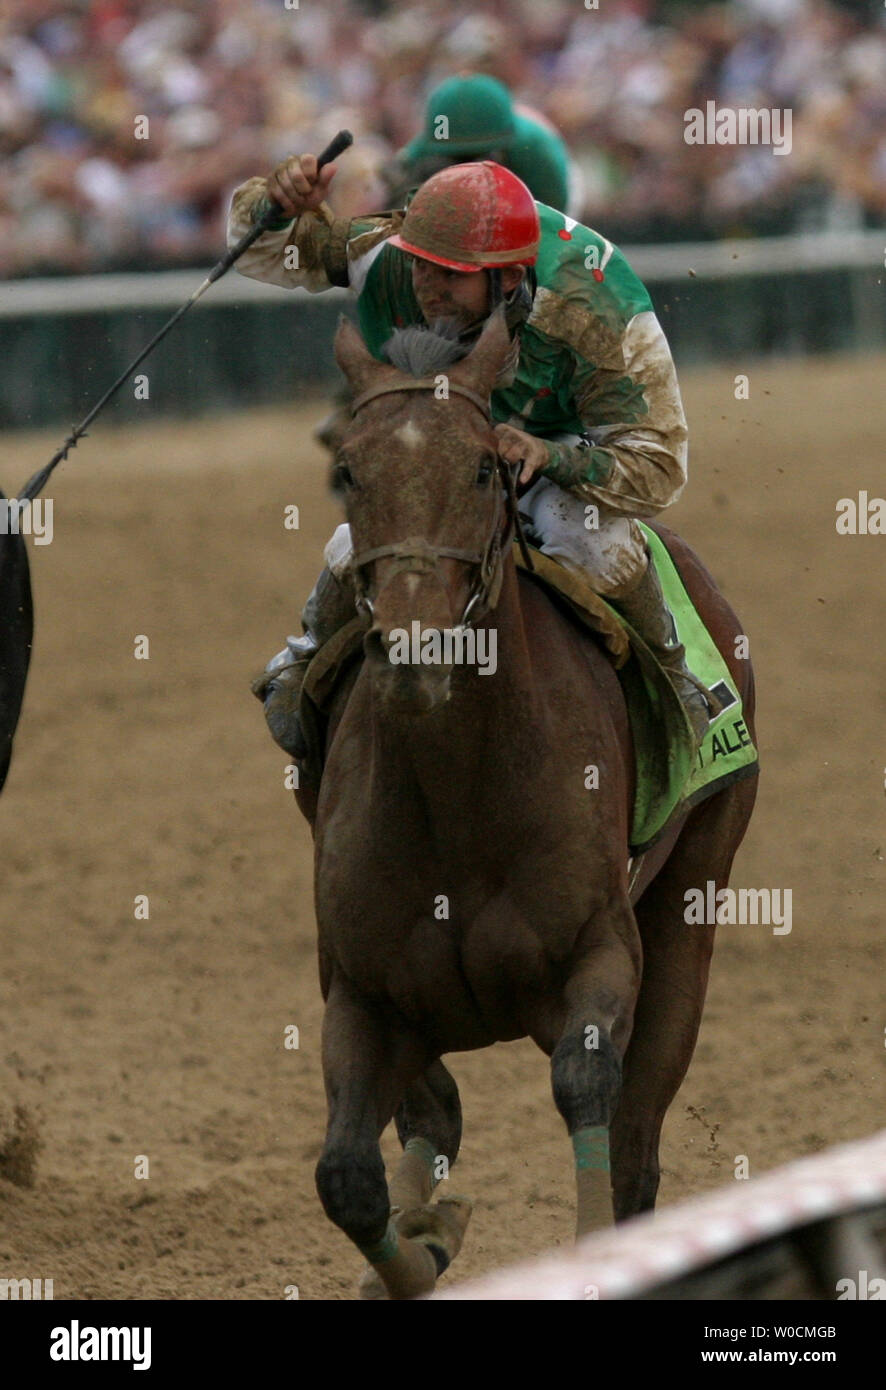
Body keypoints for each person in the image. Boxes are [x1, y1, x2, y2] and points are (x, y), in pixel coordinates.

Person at [226, 153, 716, 767]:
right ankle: (307, 651)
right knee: (372, 528)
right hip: (444, 435)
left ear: (508, 278)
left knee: (587, 537)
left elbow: (659, 466)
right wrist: (272, 205)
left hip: (557, 446)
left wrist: (551, 458)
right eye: (421, 268)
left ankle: (673, 674)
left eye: (450, 277)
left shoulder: (600, 309)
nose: (426, 289)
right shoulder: (389, 255)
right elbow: (257, 251)